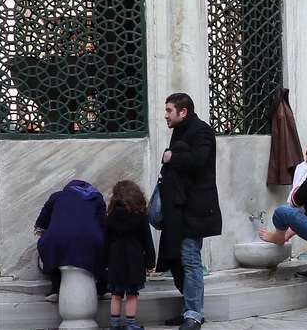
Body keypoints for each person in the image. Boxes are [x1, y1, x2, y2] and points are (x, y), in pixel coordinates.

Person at [156, 93, 223, 330]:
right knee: (175, 259)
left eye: (169, 111)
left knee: (190, 259)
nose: (165, 115)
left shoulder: (202, 131)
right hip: (178, 209)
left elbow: (198, 161)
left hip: (195, 209)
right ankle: (188, 309)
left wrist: (171, 157)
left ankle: (194, 314)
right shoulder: (181, 130)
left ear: (183, 112)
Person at [34, 180, 107, 302]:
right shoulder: (96, 197)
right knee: (102, 251)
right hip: (90, 239)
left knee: (52, 249)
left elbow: (41, 224)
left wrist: (44, 235)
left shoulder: (56, 196)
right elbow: (102, 224)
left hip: (58, 239)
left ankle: (56, 290)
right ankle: (102, 288)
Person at [105, 180, 155, 330]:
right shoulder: (140, 216)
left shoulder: (111, 216)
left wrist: (105, 261)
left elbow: (106, 241)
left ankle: (114, 325)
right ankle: (131, 324)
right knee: (132, 294)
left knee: (116, 294)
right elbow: (147, 241)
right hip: (135, 261)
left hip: (115, 261)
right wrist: (150, 262)